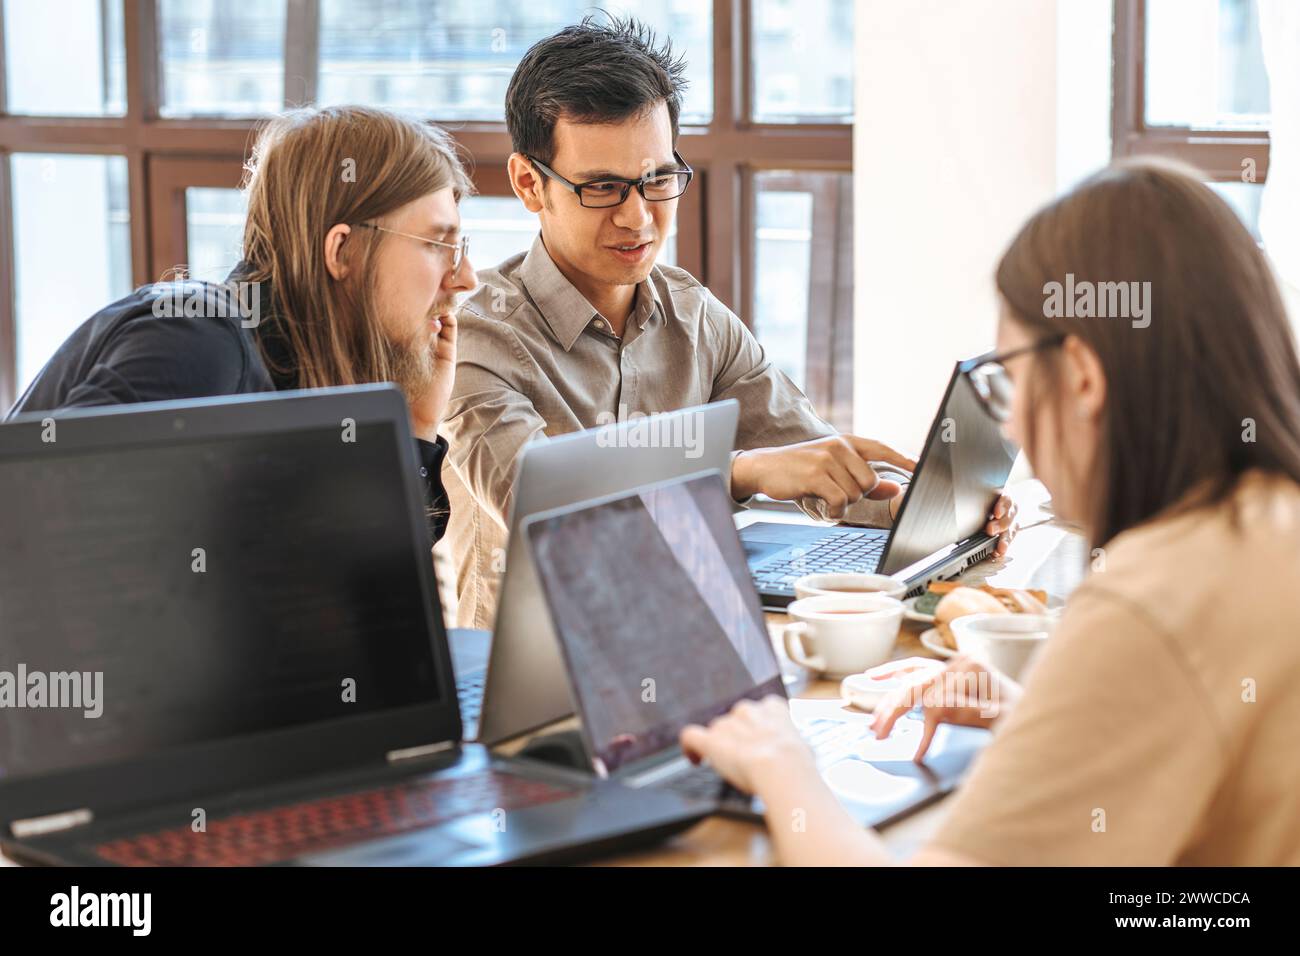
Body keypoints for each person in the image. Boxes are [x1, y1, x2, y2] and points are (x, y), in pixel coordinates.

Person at [680, 158, 1300, 866]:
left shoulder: (1153, 600)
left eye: (1011, 380)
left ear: (1082, 378)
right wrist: (1047, 724)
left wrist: (782, 764)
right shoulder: (1264, 527)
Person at [440, 15, 1016, 627]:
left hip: (695, 654)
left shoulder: (694, 315)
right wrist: (737, 470)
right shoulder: (477, 336)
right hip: (539, 694)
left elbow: (808, 455)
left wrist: (929, 511)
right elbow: (539, 500)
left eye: (658, 179)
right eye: (603, 187)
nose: (639, 218)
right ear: (530, 183)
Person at [7, 106, 475, 543]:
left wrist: (417, 423)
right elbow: (40, 526)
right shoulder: (200, 338)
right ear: (341, 251)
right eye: (438, 244)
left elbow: (368, 575)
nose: (466, 278)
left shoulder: (306, 373)